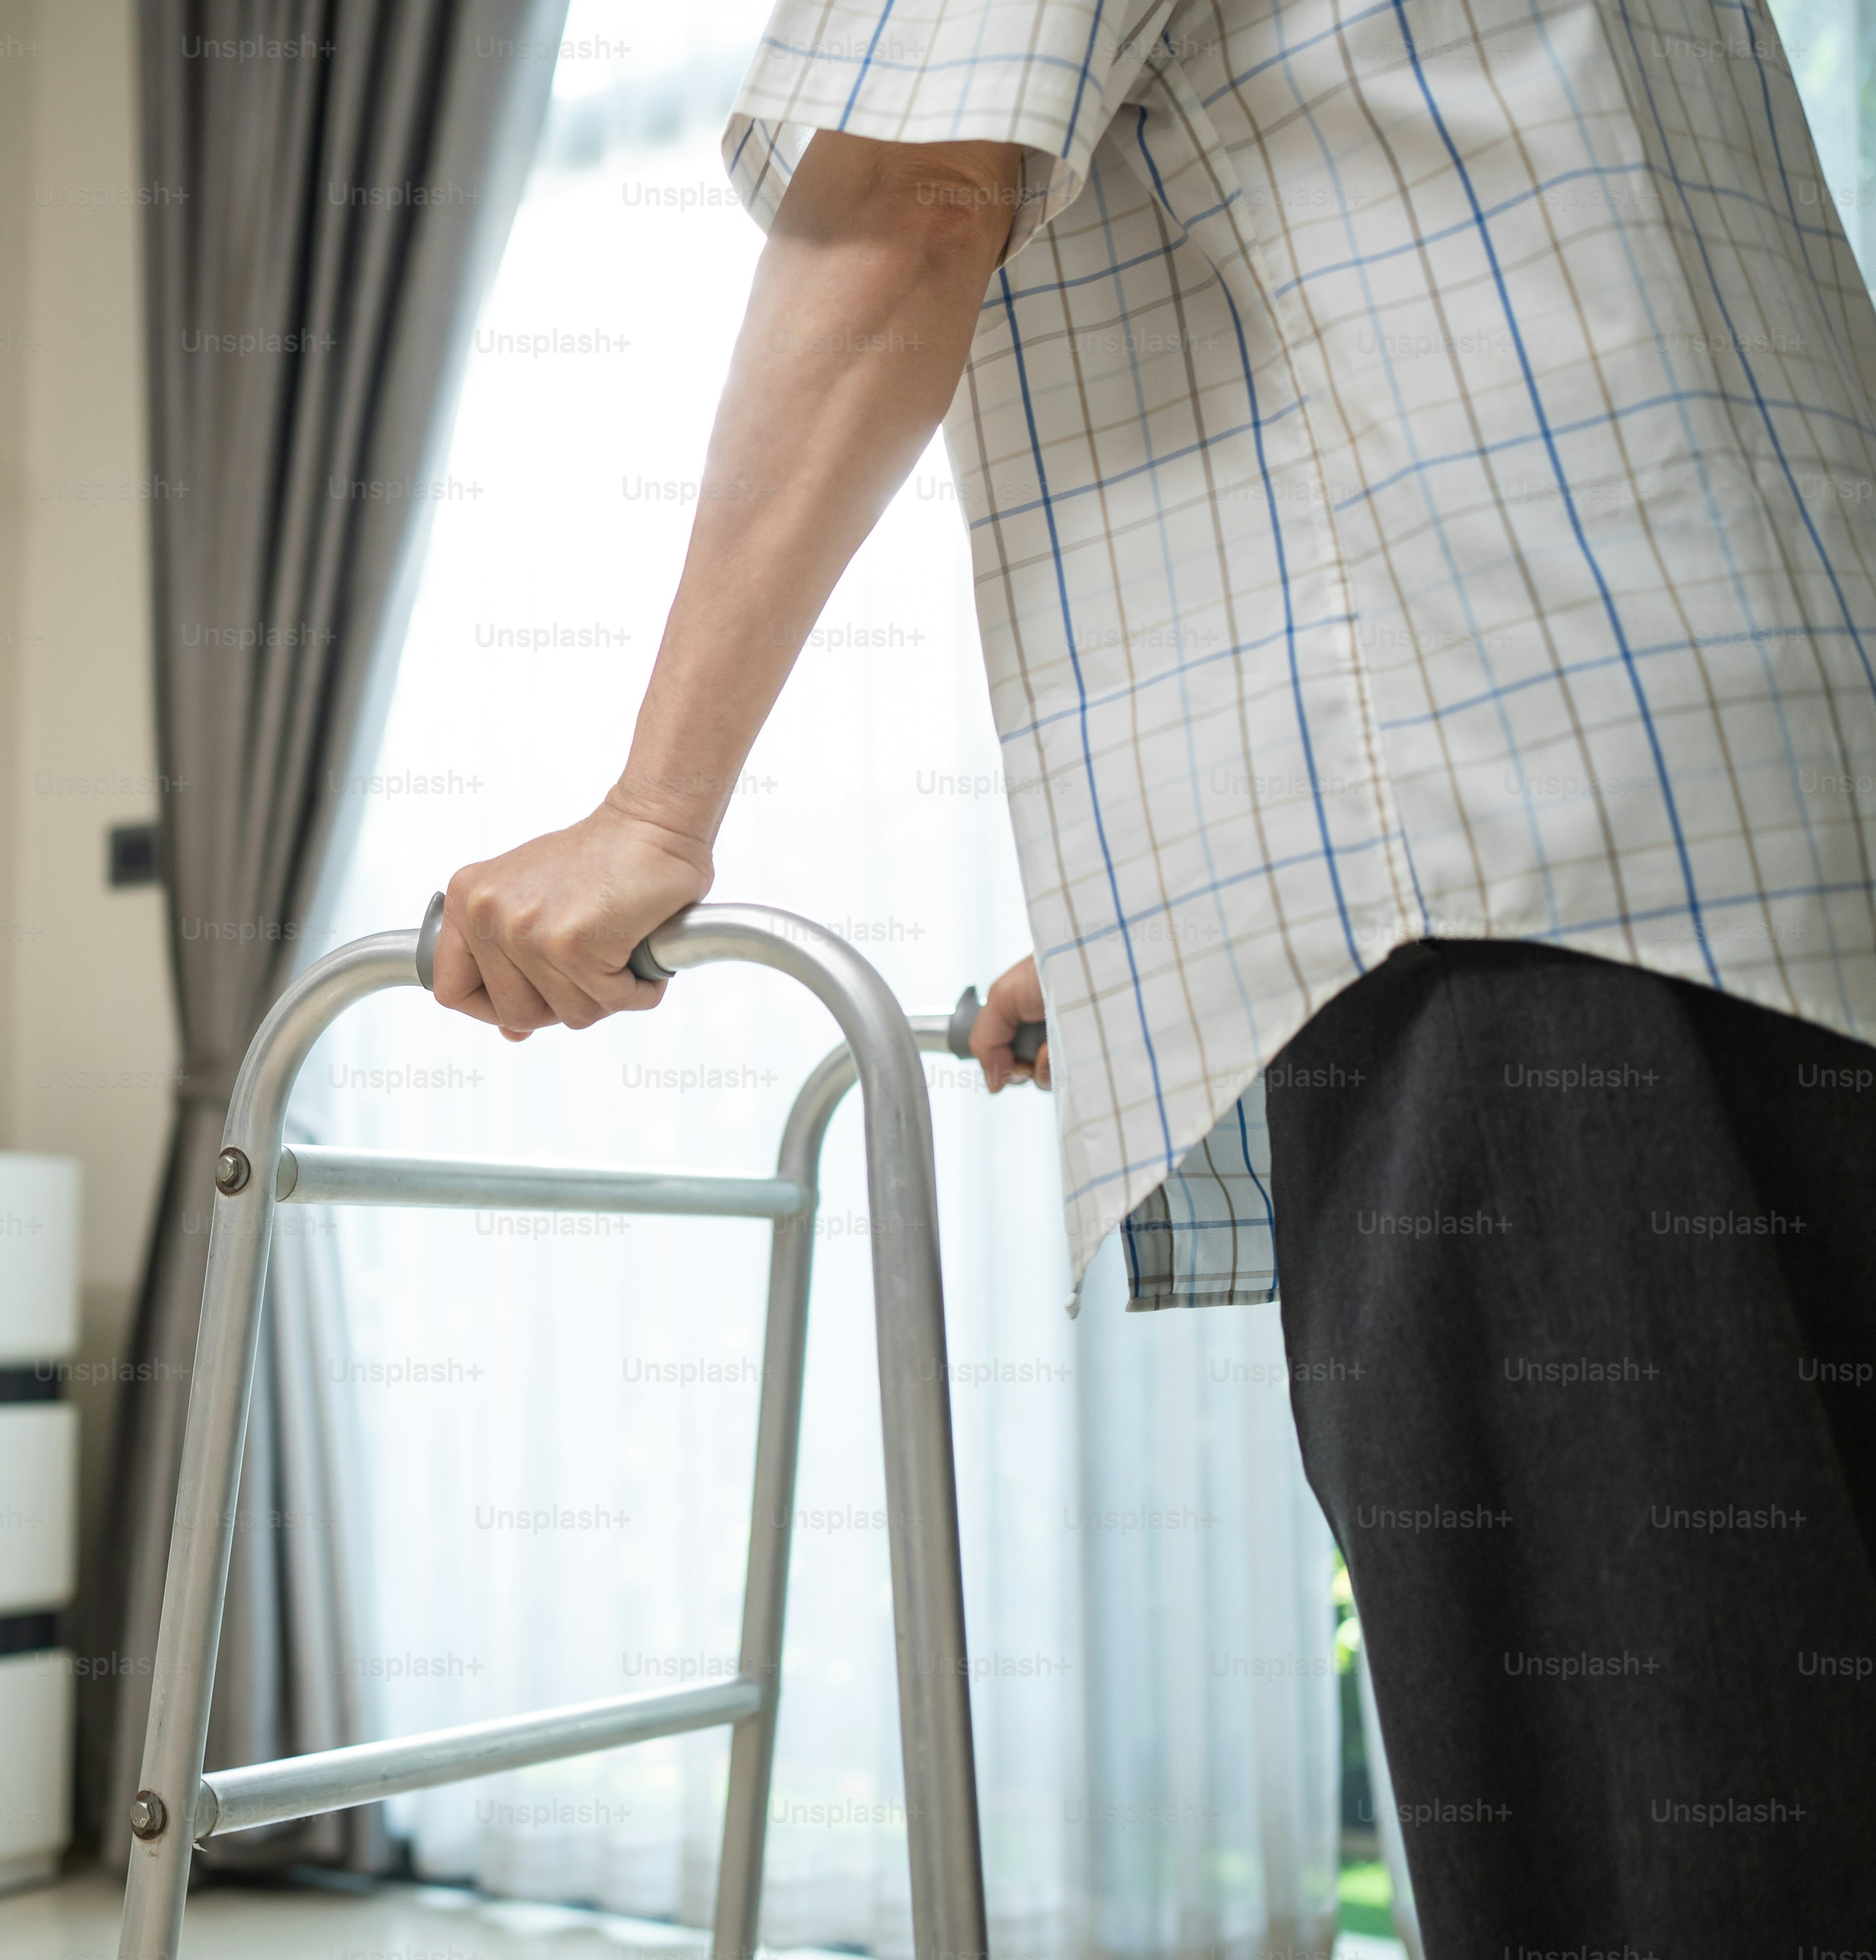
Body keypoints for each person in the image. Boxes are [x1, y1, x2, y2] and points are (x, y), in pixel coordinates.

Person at [424, 0, 1876, 1947]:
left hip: (1511, 884)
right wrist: (1200, 888)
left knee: (1657, 1857)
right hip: (1777, 850)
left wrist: (651, 806)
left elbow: (913, 192)